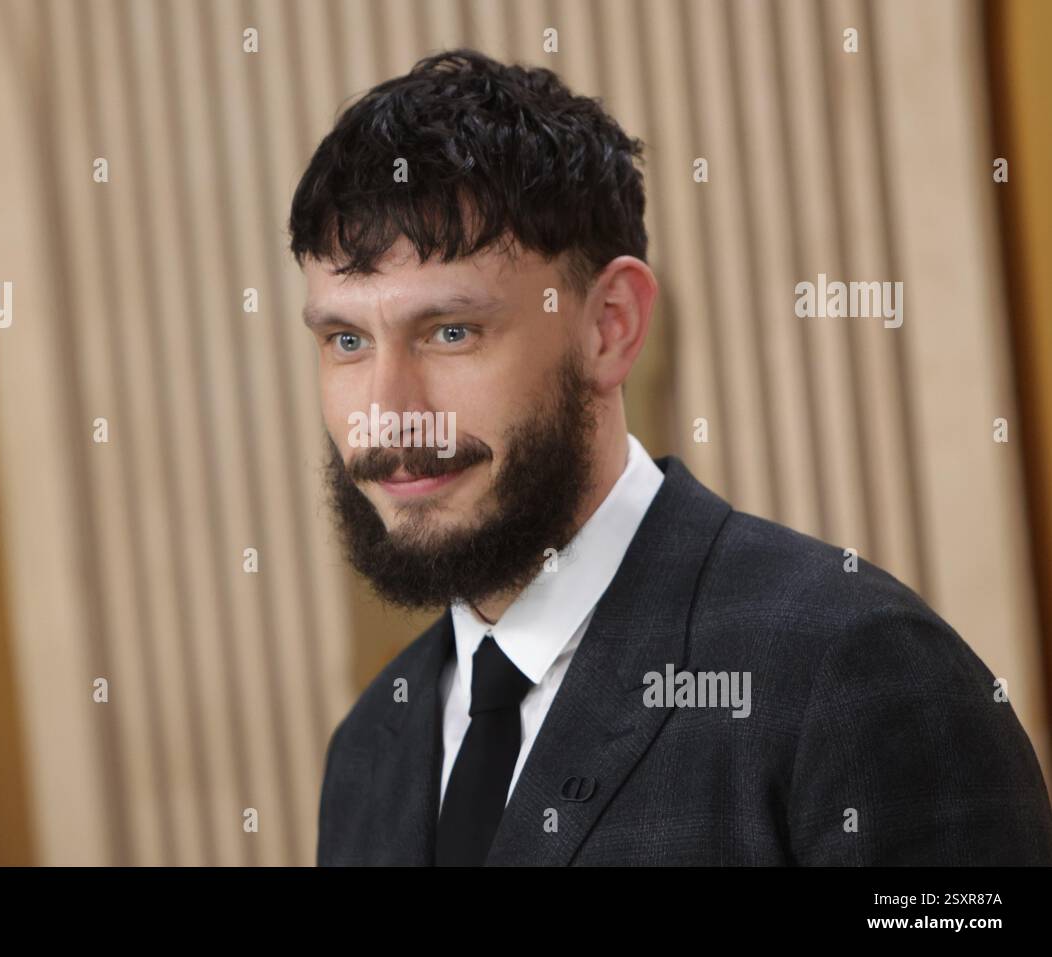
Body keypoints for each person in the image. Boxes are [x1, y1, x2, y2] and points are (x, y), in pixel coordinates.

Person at [287, 48, 1052, 865]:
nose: (387, 415)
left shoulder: (855, 675)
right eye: (346, 340)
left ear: (610, 325)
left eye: (451, 332)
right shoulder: (369, 749)